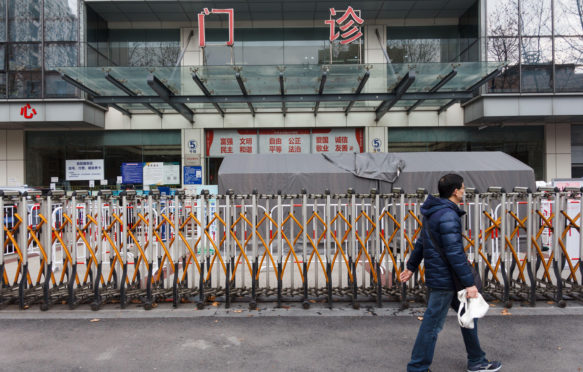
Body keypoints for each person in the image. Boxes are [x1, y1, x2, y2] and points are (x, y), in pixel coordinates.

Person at [399, 174, 502, 372]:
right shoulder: (447, 215)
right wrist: (469, 284)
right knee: (432, 324)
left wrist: (411, 266)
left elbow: (423, 241)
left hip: (445, 278)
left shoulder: (434, 211)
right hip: (445, 281)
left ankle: (476, 360)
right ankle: (417, 367)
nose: (464, 191)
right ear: (455, 191)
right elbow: (454, 253)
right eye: (463, 188)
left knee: (469, 316)